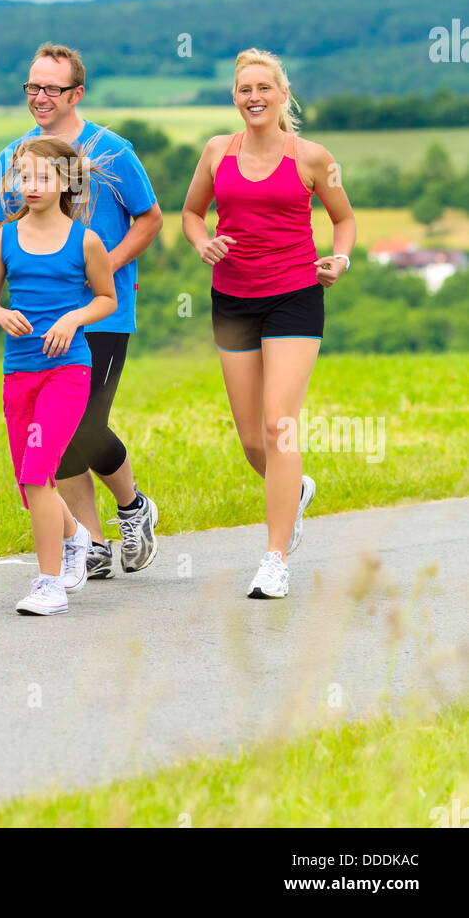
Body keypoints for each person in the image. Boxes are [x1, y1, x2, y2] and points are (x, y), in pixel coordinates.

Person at [0, 42, 163, 579]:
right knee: (53, 435)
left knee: (83, 427)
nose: (40, 97)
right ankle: (93, 544)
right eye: (32, 87)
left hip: (102, 313)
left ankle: (133, 507)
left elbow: (150, 219)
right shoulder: (15, 156)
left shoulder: (111, 151)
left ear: (76, 93)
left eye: (51, 89)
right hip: (36, 319)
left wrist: (100, 265)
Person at [181, 49, 355, 599]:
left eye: (264, 88)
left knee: (280, 424)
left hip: (295, 297)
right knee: (253, 439)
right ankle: (293, 488)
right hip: (232, 299)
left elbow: (343, 218)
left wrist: (340, 258)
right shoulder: (215, 152)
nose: (253, 97)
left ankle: (275, 557)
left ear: (283, 94)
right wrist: (203, 241)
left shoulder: (310, 157)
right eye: (243, 89)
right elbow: (190, 213)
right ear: (235, 97)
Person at [0, 136, 117, 614]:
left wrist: (71, 318)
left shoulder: (86, 240)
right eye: (22, 176)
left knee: (39, 472)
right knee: (28, 482)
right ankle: (77, 536)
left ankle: (49, 584)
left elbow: (106, 299)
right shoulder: (3, 239)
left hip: (68, 369)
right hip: (19, 372)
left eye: (42, 177)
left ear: (66, 182)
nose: (30, 186)